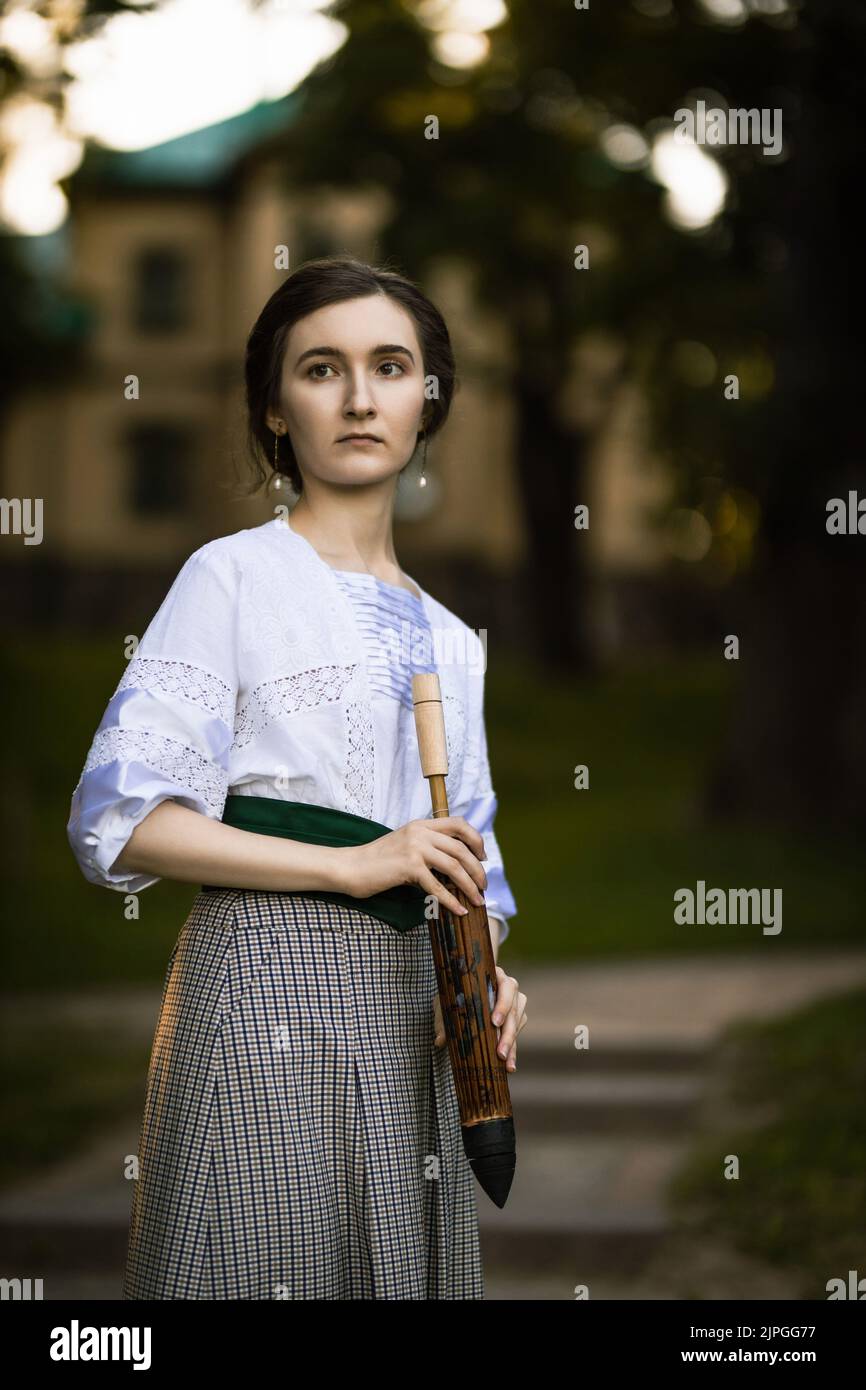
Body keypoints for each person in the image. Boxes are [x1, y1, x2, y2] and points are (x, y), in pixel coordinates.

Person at [67, 255, 527, 1300]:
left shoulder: (455, 641)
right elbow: (118, 819)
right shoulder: (231, 575)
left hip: (419, 1022)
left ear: (428, 398)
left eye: (391, 366)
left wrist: (488, 974)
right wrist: (353, 865)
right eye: (322, 369)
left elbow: (475, 869)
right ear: (276, 410)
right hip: (266, 982)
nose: (360, 397)